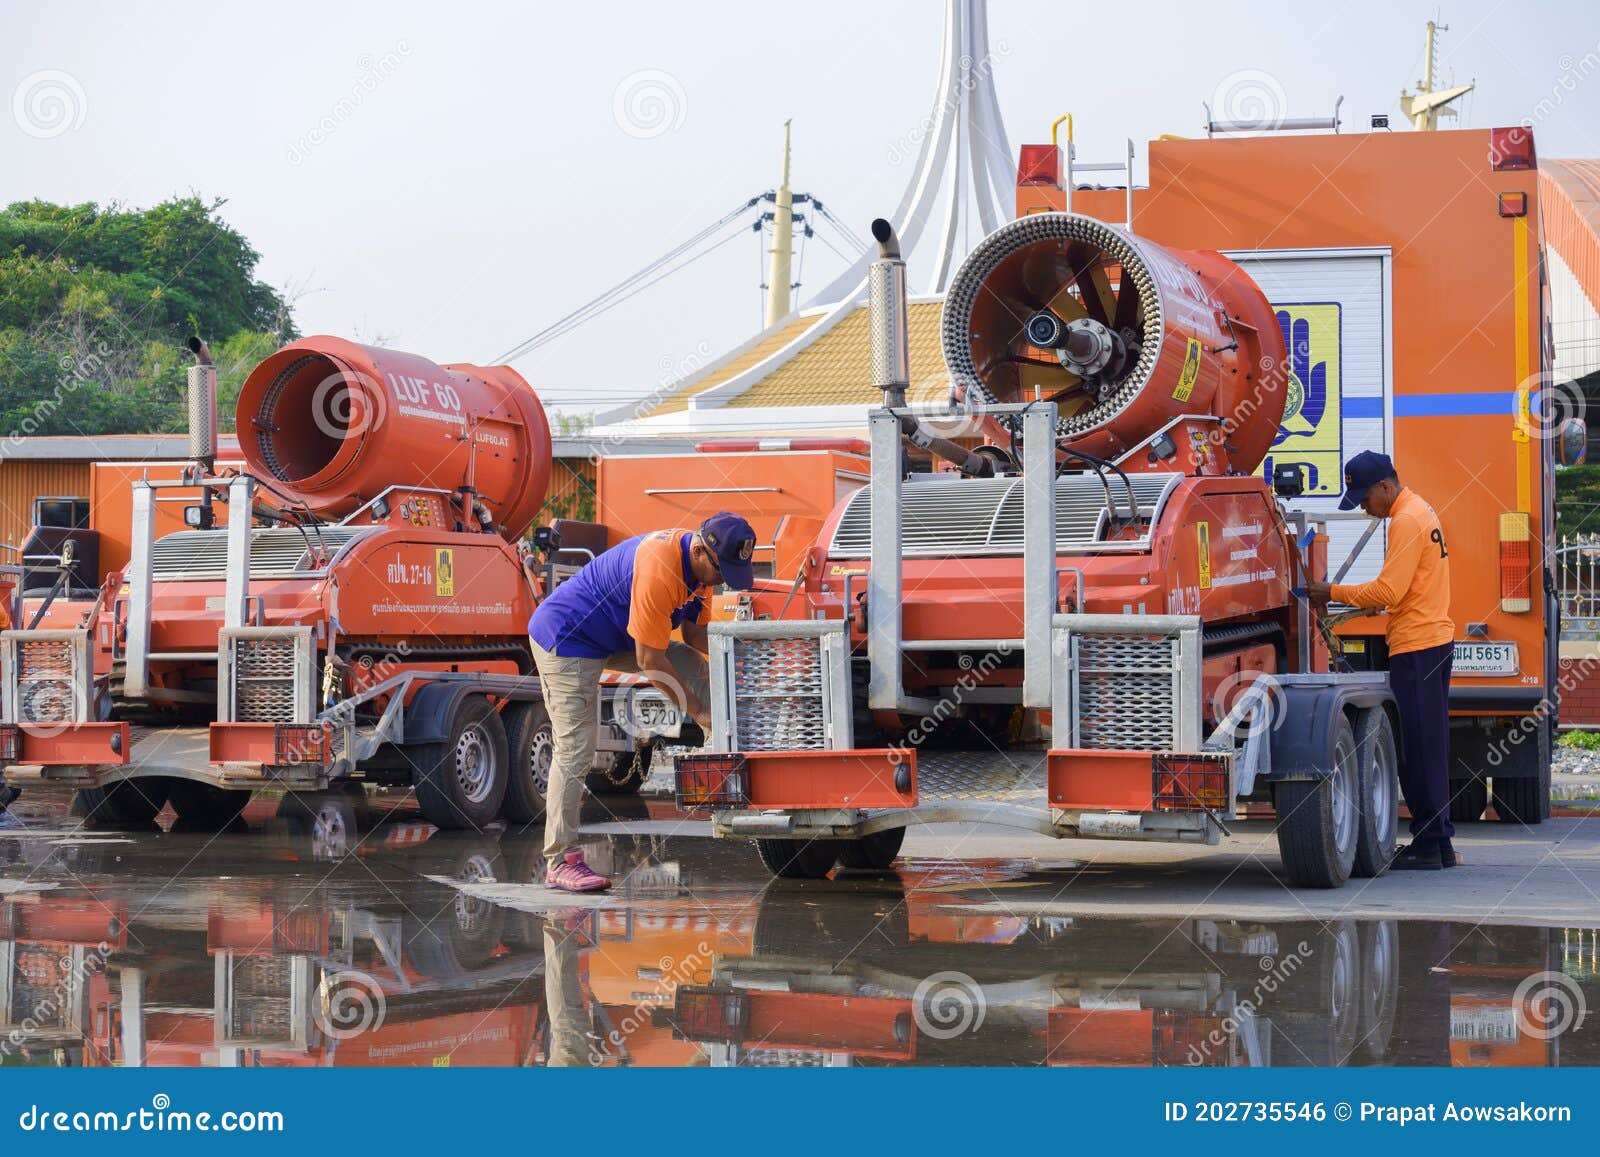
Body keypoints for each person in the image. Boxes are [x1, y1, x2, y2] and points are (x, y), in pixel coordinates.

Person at [528, 512, 758, 892]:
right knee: (576, 748)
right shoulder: (661, 567)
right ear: (700, 550)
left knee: (691, 664)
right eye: (721, 572)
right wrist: (696, 710)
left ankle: (718, 744)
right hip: (568, 636)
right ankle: (559, 860)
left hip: (613, 635)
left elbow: (694, 633)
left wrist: (742, 649)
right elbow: (649, 660)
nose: (721, 580)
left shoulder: (703, 568)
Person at [1306, 451, 1457, 871]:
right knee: (1431, 744)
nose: (1366, 507)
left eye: (1365, 497)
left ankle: (1430, 845)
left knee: (1418, 748)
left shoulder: (1406, 519)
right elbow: (1406, 588)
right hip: (1432, 640)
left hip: (1418, 645)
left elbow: (1388, 591)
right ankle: (1438, 841)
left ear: (1386, 487)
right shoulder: (1419, 507)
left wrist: (1330, 591)